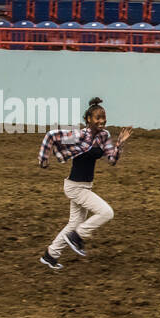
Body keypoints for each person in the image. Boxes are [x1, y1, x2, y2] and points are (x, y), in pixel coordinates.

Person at [37, 96, 134, 271]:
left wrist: (119, 144)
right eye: (98, 118)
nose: (102, 121)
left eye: (104, 118)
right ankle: (77, 237)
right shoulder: (80, 135)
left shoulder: (105, 136)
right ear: (89, 120)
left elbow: (111, 160)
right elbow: (50, 135)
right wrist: (43, 160)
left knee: (74, 223)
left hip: (85, 186)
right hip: (74, 187)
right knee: (106, 212)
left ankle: (50, 255)